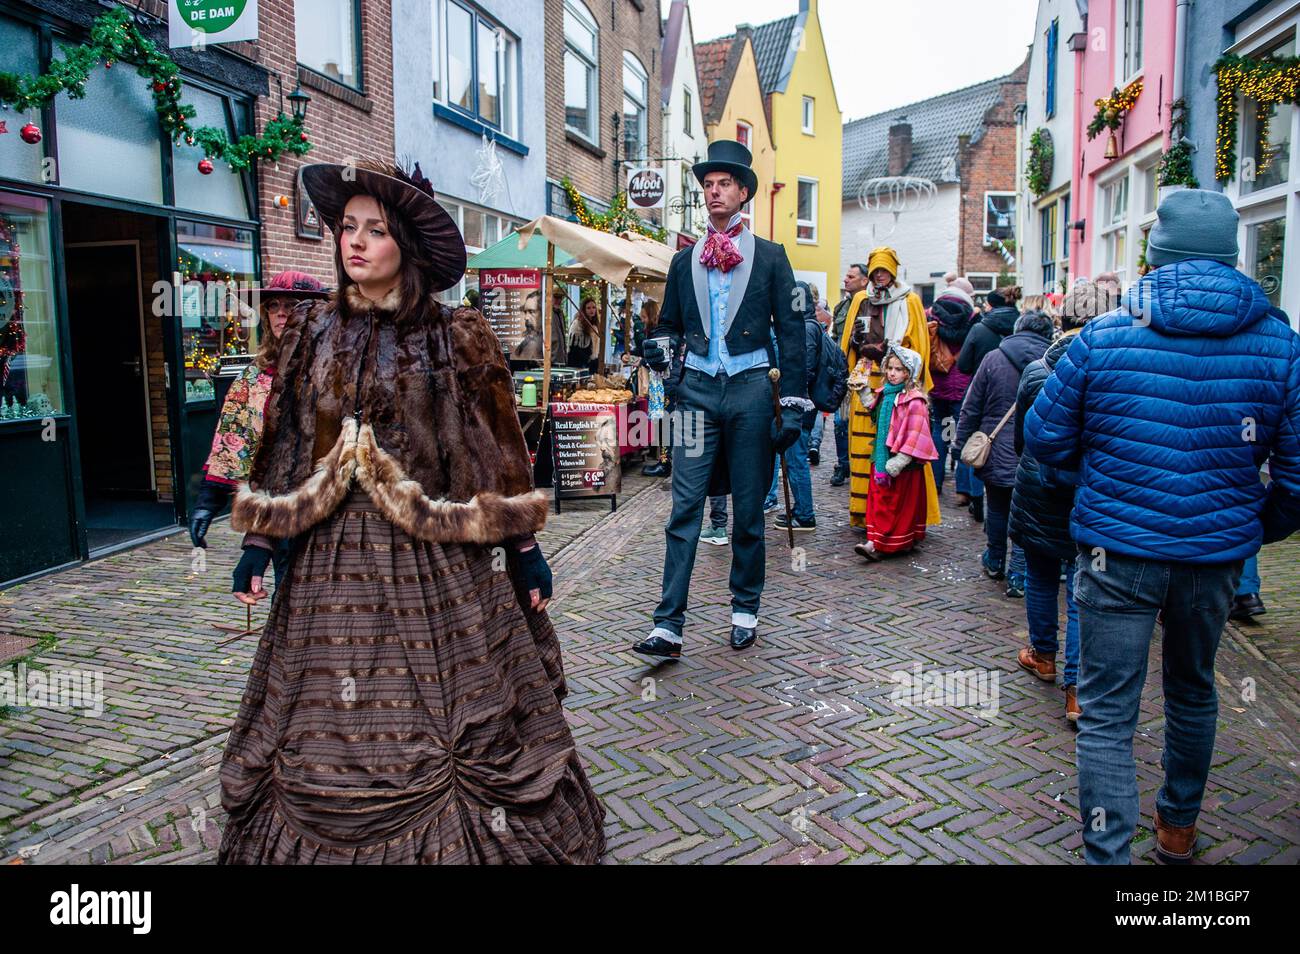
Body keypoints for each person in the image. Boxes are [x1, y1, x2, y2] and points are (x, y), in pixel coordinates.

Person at [217, 159, 605, 864]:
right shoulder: (311, 331)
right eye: (347, 227)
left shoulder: (455, 336)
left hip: (435, 556)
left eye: (375, 230)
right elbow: (289, 441)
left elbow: (494, 451)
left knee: (456, 707)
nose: (355, 242)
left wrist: (524, 550)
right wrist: (261, 543)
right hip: (331, 561)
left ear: (407, 245)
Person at [1025, 188, 1300, 865]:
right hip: (1213, 560)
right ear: (1232, 257)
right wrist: (1248, 528)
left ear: (1155, 256)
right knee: (1193, 690)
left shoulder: (1105, 335)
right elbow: (1296, 479)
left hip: (1116, 553)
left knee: (1108, 710)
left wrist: (1099, 478)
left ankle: (1108, 854)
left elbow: (1044, 436)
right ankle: (1177, 828)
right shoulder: (1281, 345)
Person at [632, 139, 808, 658]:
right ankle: (668, 626)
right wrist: (661, 348)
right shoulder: (683, 261)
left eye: (724, 184)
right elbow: (668, 326)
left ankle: (744, 608)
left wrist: (793, 404)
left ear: (743, 192)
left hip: (752, 390)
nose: (714, 192)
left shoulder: (772, 257)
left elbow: (792, 333)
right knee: (683, 508)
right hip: (694, 394)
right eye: (708, 185)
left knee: (749, 510)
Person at [1009, 280, 1115, 725]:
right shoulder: (1113, 372)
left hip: (1039, 488)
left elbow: (1022, 439)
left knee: (1039, 574)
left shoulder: (1038, 371)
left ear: (1063, 317)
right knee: (1081, 587)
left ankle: (1044, 656)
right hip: (1087, 491)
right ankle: (1076, 690)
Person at [189, 269, 331, 603]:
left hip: (341, 523)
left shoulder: (339, 370)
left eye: (292, 305)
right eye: (274, 306)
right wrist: (209, 502)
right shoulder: (257, 376)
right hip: (284, 522)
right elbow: (235, 440)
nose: (281, 313)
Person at [839, 247, 938, 534]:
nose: (880, 276)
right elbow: (847, 343)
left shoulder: (910, 300)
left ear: (893, 271)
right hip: (866, 377)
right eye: (876, 271)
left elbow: (919, 348)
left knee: (896, 443)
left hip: (896, 381)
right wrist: (857, 353)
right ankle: (864, 512)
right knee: (862, 447)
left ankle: (895, 516)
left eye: (885, 271)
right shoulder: (861, 299)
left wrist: (901, 368)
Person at [956, 311, 1053, 598]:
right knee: (1027, 514)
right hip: (1034, 450)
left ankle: (995, 560)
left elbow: (972, 405)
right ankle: (1019, 575)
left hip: (997, 446)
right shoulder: (1053, 362)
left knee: (997, 507)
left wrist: (960, 443)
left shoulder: (993, 359)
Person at [853, 345, 938, 560]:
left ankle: (891, 542)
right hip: (881, 457)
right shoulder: (885, 394)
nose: (892, 373)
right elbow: (877, 417)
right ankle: (875, 541)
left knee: (898, 504)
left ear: (908, 372)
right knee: (879, 500)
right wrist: (864, 393)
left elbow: (916, 433)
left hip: (902, 463)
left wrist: (901, 460)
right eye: (890, 368)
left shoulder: (915, 401)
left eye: (898, 369)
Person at [955, 284, 1021, 521]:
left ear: (990, 305)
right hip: (1018, 396)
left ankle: (976, 497)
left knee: (978, 440)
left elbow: (963, 365)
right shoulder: (1022, 326)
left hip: (983, 391)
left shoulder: (980, 328)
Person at [771, 280, 823, 533]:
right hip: (801, 402)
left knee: (796, 459)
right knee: (794, 458)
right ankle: (800, 509)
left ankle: (804, 513)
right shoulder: (807, 326)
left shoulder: (805, 329)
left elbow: (804, 368)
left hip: (801, 405)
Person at [926, 283, 979, 504]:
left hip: (939, 383)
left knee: (940, 430)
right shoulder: (972, 318)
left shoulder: (932, 314)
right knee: (962, 434)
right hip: (962, 384)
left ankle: (935, 482)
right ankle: (963, 489)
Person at [829, 263, 871, 485]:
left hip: (865, 371)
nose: (845, 279)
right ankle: (843, 464)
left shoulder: (871, 304)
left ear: (864, 281)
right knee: (840, 422)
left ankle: (860, 463)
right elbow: (836, 338)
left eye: (851, 276)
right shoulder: (841, 307)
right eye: (846, 275)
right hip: (843, 371)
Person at [568, 295, 601, 373]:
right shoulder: (577, 324)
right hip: (578, 363)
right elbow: (574, 347)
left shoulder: (594, 325)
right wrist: (587, 360)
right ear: (584, 310)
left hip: (592, 362)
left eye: (593, 307)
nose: (591, 310)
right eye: (588, 308)